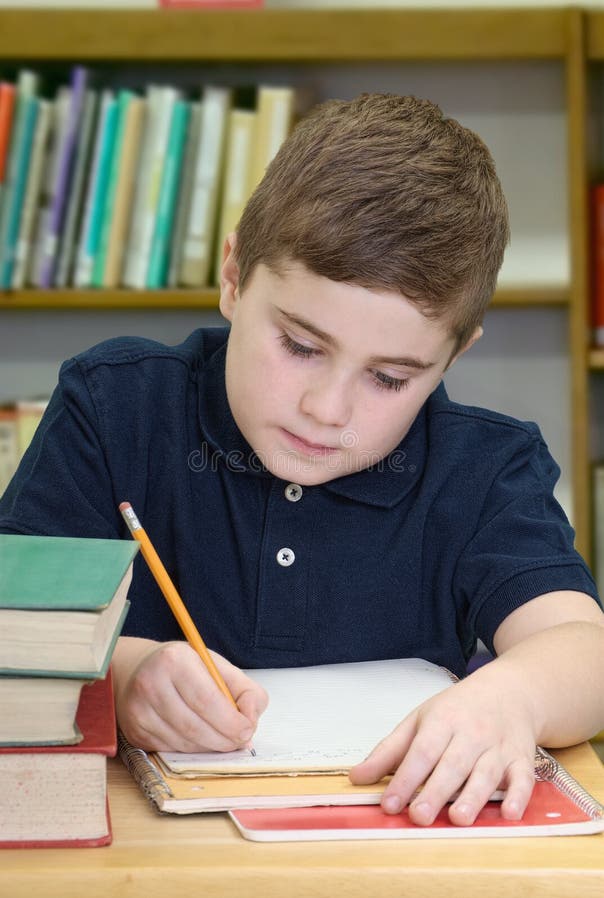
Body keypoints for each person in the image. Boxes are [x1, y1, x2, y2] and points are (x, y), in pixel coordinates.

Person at [1, 94, 603, 827]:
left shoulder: (486, 468)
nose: (328, 409)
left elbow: (585, 651)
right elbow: (13, 630)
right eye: (300, 346)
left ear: (453, 356)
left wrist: (517, 696)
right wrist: (126, 675)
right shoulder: (114, 408)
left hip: (395, 863)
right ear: (233, 276)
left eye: (389, 378)